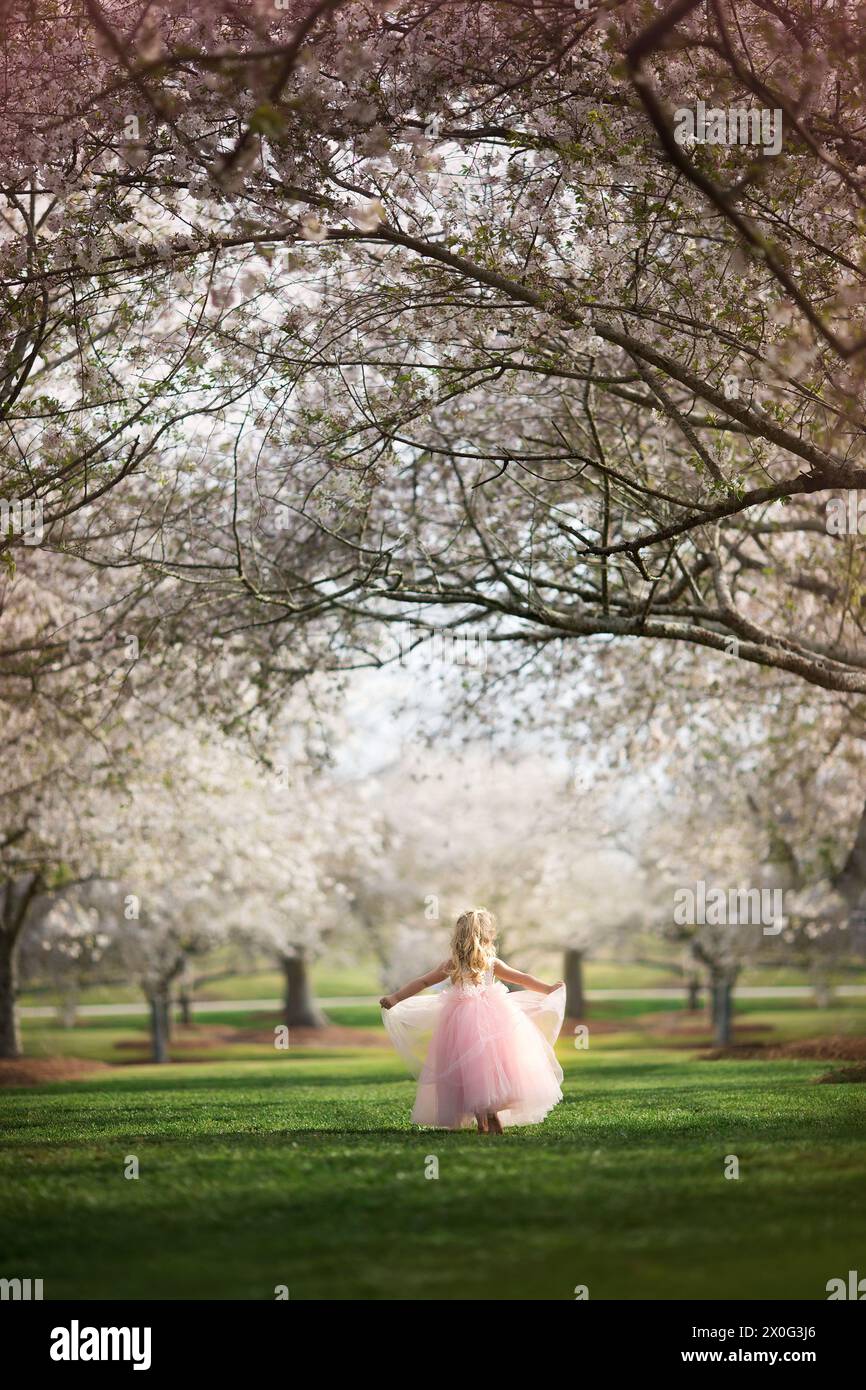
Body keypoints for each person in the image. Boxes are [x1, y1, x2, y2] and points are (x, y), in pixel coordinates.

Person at [380, 907, 566, 1132]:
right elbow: (522, 978)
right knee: (490, 1065)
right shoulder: (490, 963)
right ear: (487, 936)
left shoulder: (453, 964)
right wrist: (547, 988)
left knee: (468, 1068)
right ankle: (489, 1116)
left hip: (462, 1021)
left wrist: (395, 997)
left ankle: (484, 1119)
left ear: (458, 937)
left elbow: (423, 982)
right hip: (494, 1017)